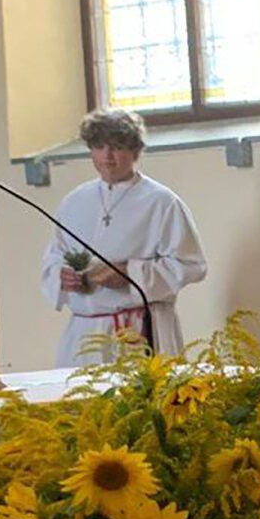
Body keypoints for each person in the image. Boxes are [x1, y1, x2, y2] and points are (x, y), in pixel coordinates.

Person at [39, 108, 208, 366]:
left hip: (139, 330)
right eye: (99, 146)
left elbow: (191, 265)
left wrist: (131, 274)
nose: (107, 156)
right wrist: (61, 276)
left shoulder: (162, 202)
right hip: (85, 334)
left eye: (117, 147)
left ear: (135, 151)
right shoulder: (74, 202)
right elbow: (53, 257)